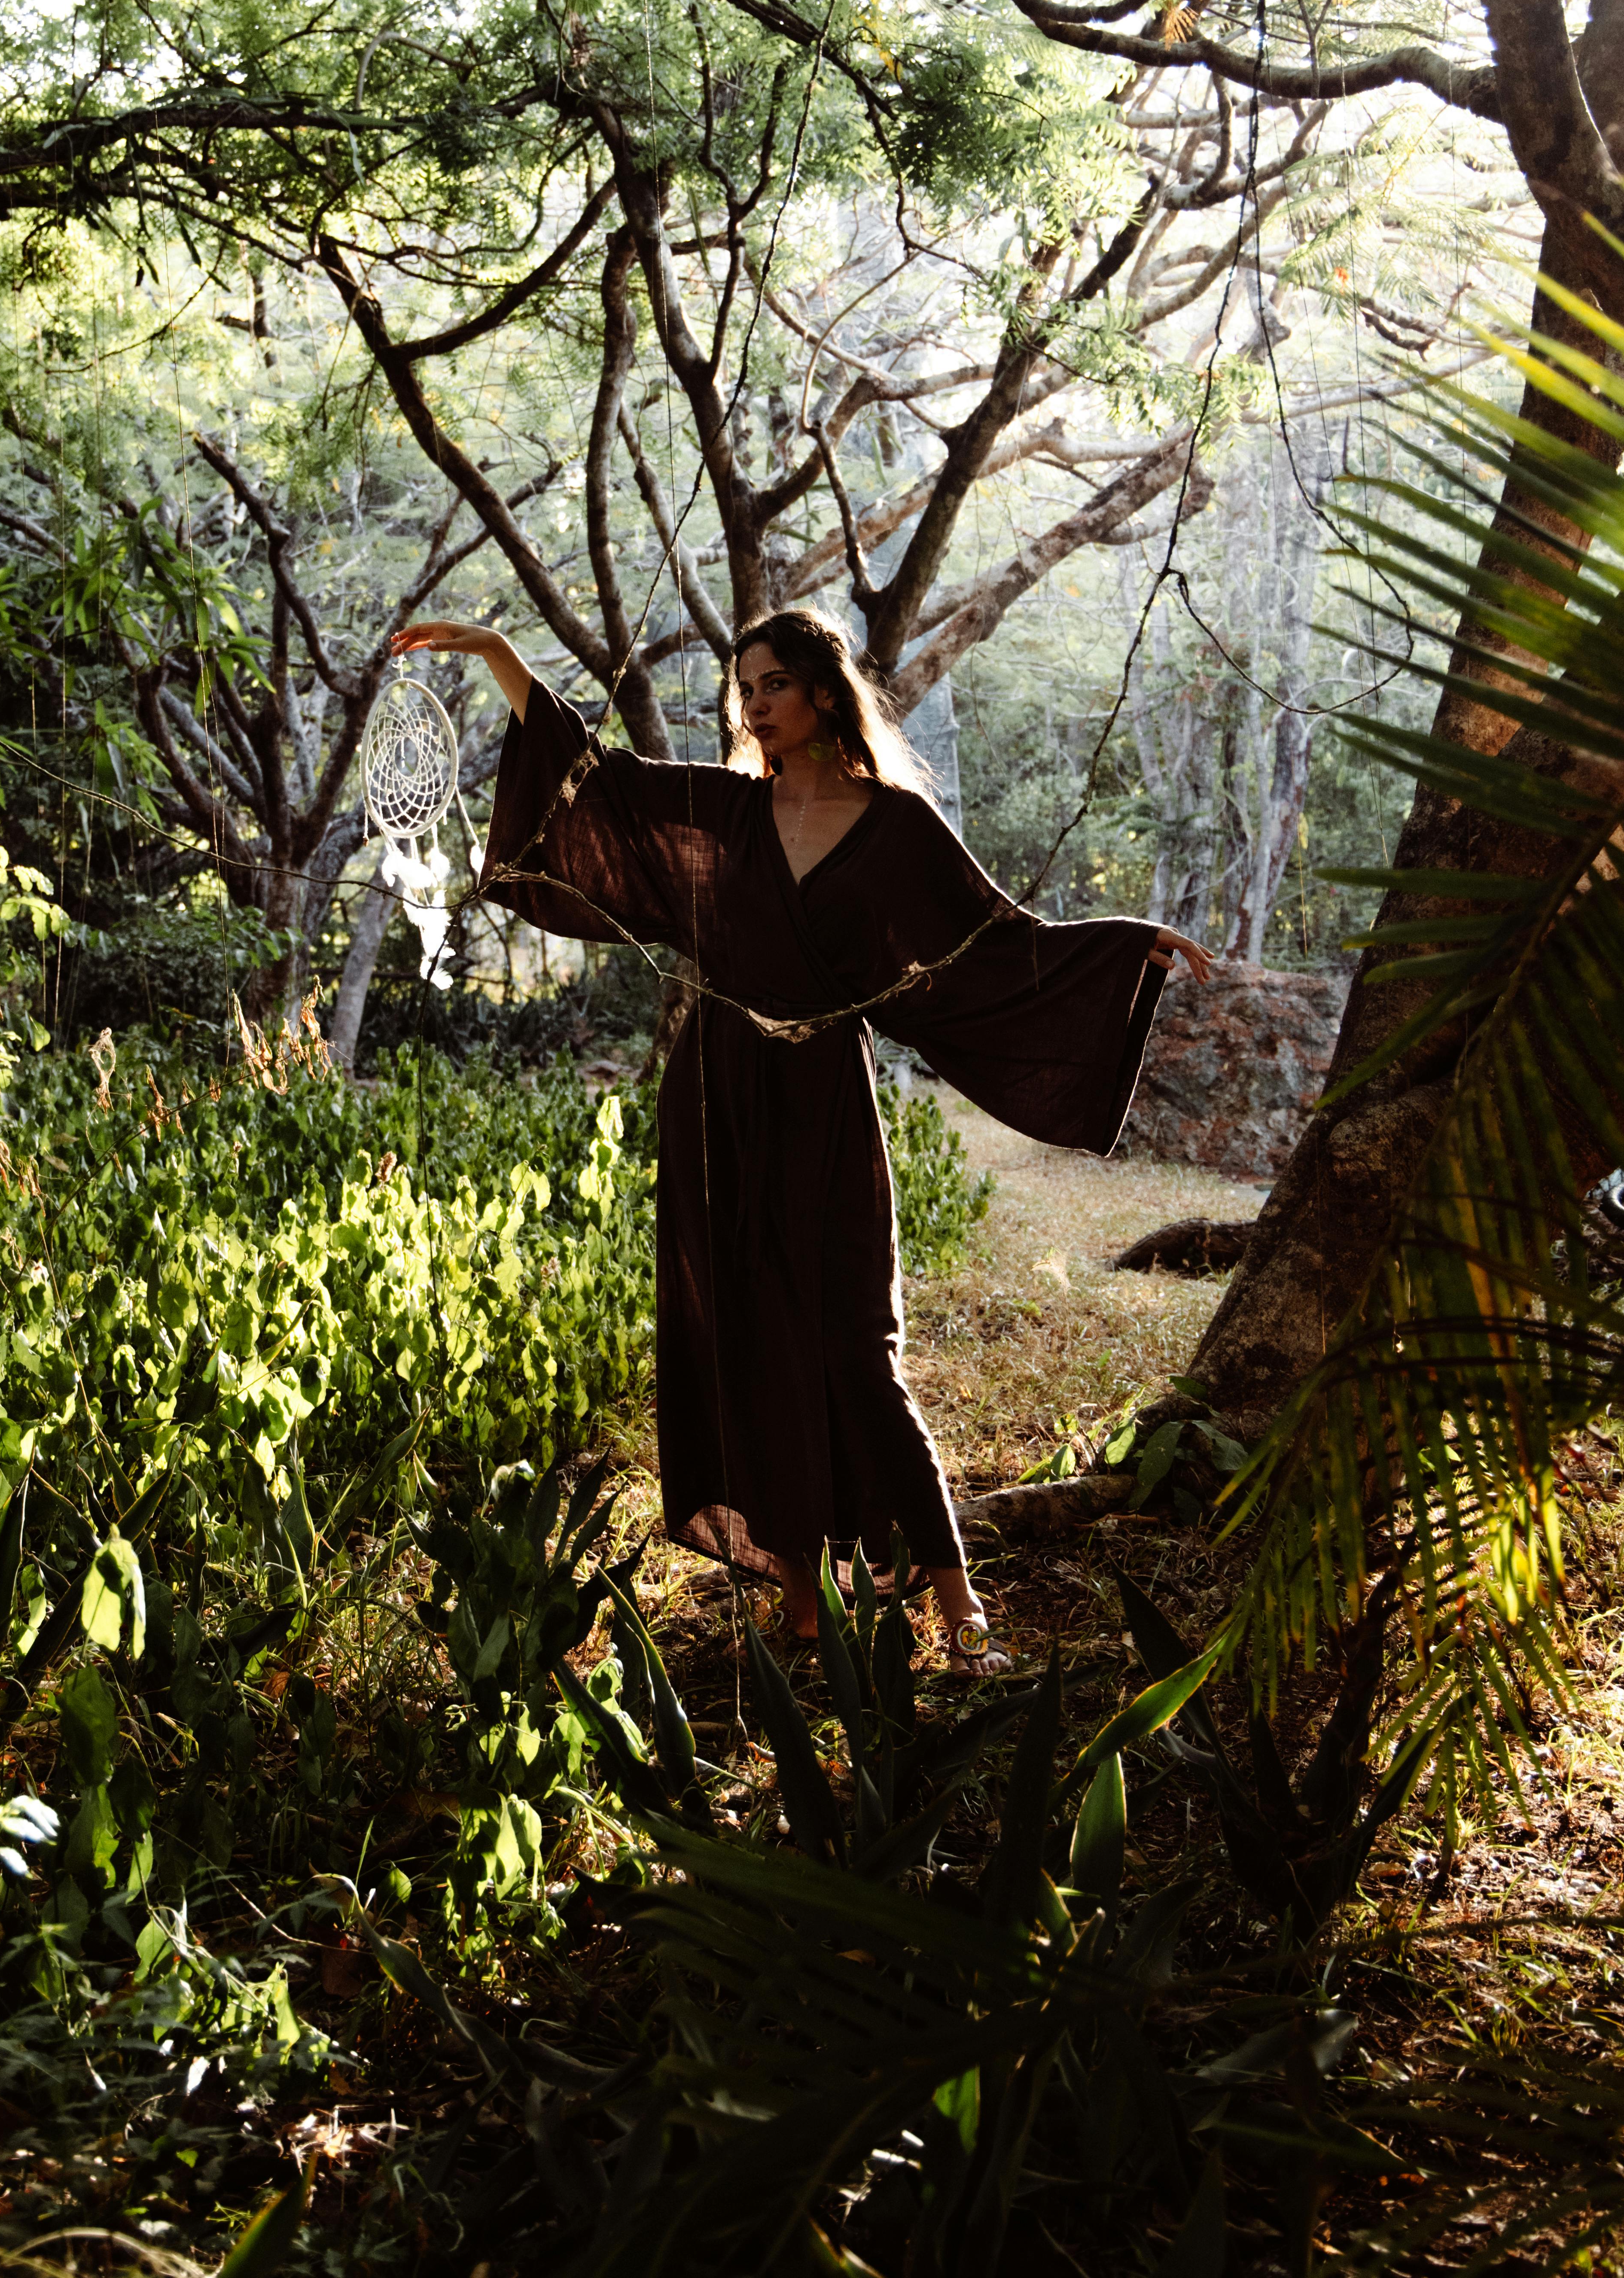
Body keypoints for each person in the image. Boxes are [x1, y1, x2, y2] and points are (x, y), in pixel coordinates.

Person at [391, 609, 1213, 1662]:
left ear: (824, 691)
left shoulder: (897, 828)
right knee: (745, 1333)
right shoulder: (724, 813)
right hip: (714, 1097)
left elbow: (998, 945)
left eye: (770, 684)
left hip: (821, 1096)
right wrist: (497, 656)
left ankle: (957, 1599)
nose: (751, 706)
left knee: (854, 1347)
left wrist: (1123, 947)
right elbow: (595, 782)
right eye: (742, 689)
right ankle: (799, 1604)